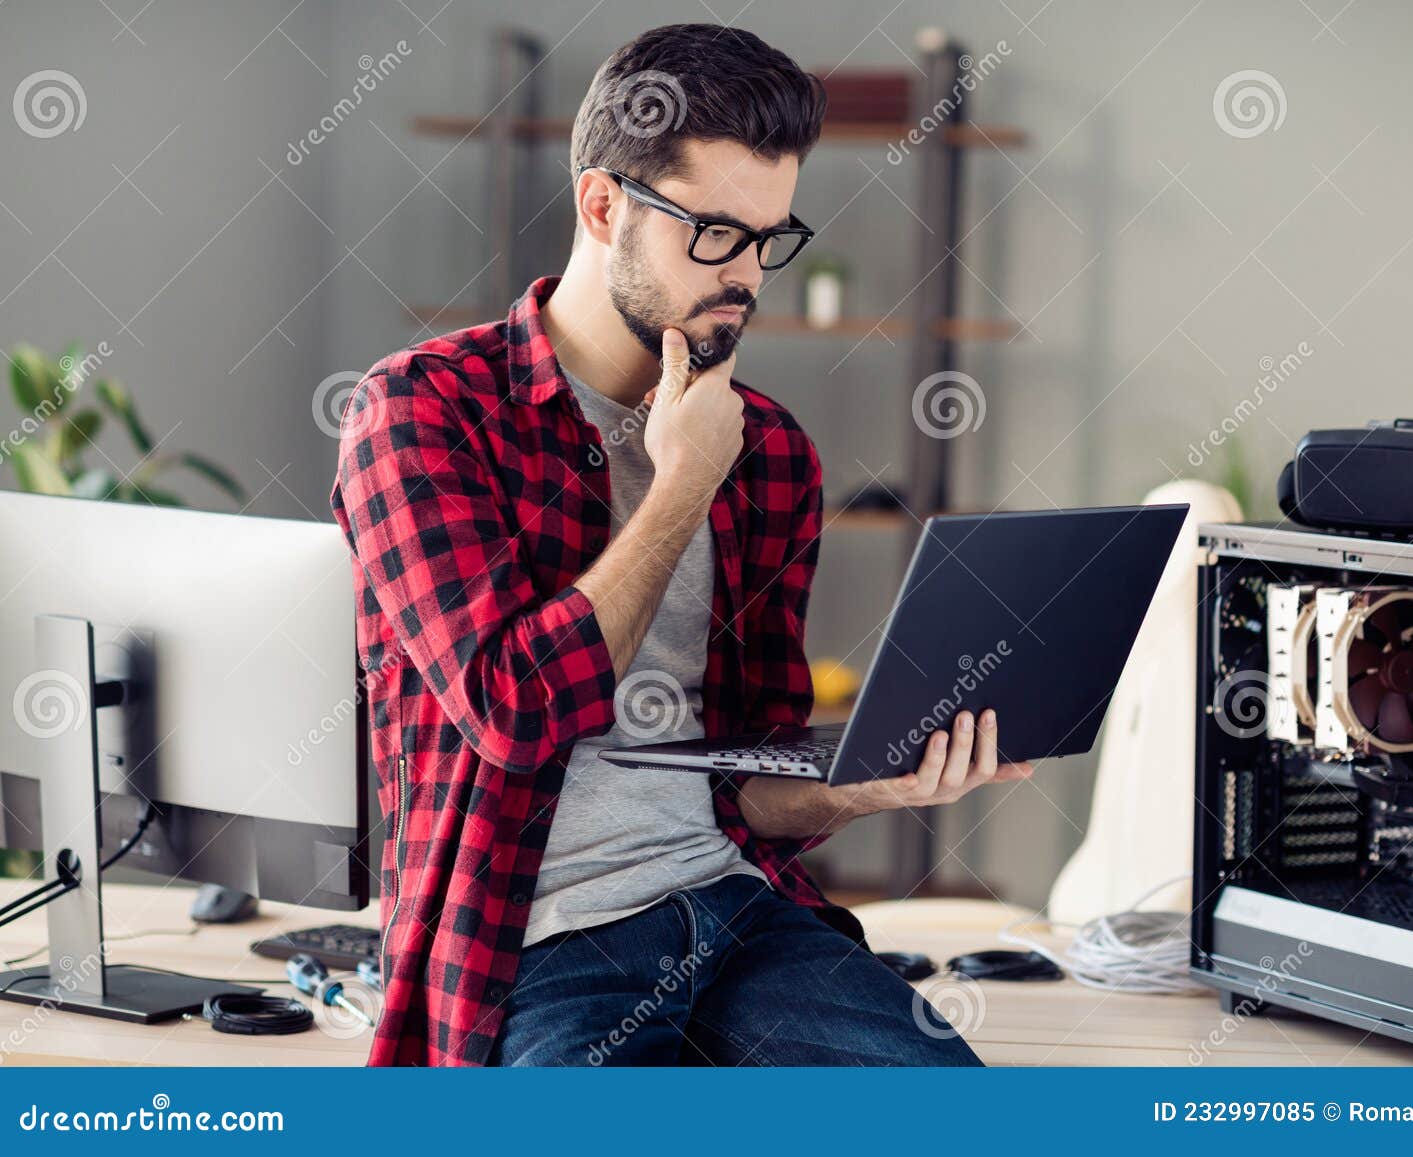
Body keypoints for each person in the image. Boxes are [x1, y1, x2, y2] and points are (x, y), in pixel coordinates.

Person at [330, 22, 1033, 1067]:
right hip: (535, 935)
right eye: (713, 232)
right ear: (603, 205)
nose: (746, 274)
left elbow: (738, 780)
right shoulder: (421, 409)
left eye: (766, 236)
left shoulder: (774, 453)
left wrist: (872, 785)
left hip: (736, 905)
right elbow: (512, 711)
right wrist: (679, 484)